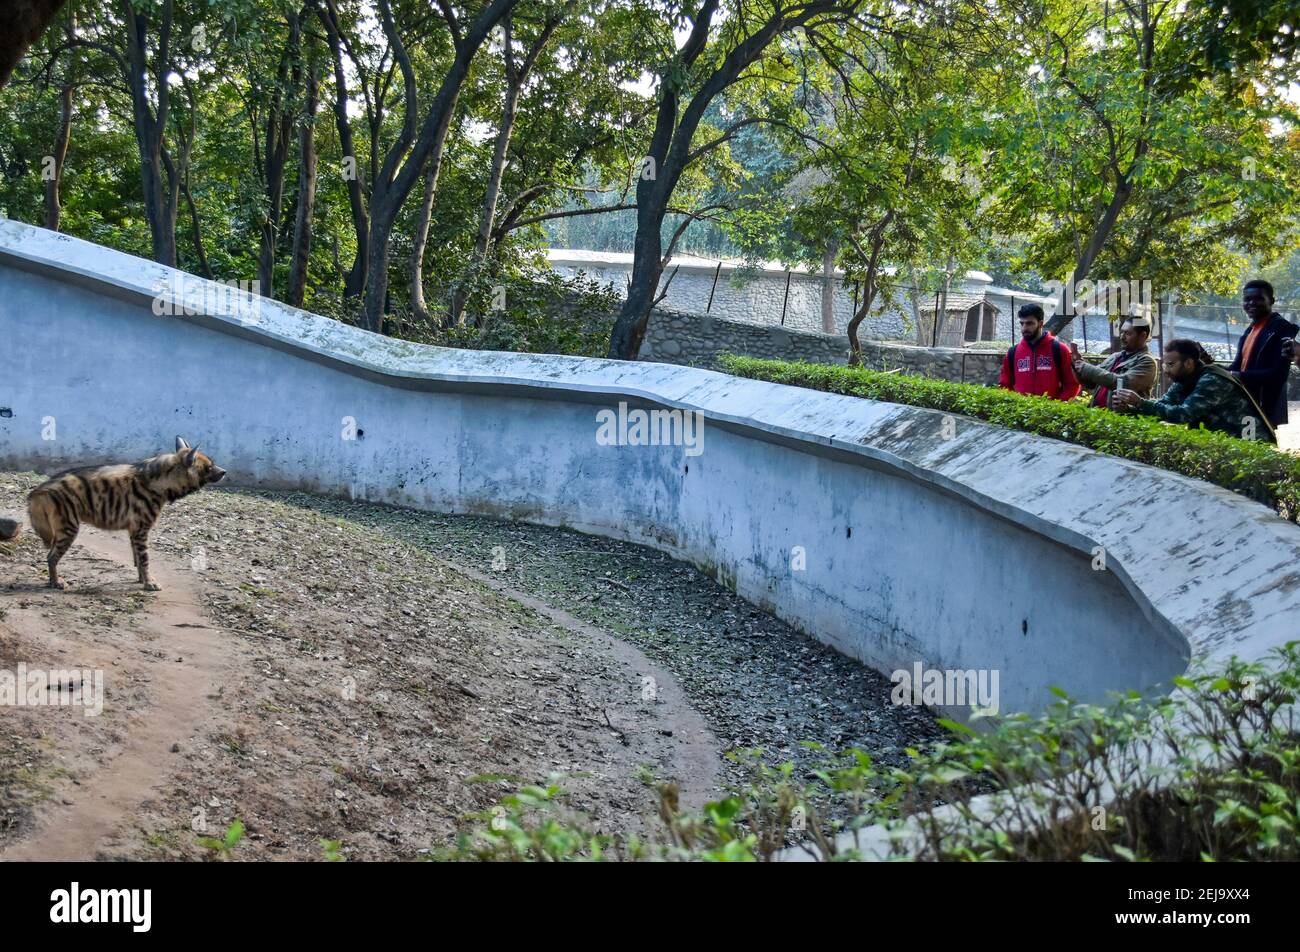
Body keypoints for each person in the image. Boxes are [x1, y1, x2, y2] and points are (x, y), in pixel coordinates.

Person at [1112, 339, 1275, 442]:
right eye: (1164, 364)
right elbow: (1164, 405)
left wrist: (1139, 402)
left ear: (1188, 363)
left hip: (1250, 443)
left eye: (1170, 364)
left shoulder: (1211, 380)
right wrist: (1130, 409)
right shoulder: (1186, 378)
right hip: (1230, 442)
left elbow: (1183, 414)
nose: (1166, 370)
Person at [1228, 279, 1298, 428]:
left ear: (1271, 300)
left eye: (1258, 298)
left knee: (1255, 446)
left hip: (1262, 403)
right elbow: (1236, 366)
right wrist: (1209, 367)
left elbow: (1278, 374)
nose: (1251, 303)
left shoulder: (1282, 329)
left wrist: (1238, 375)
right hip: (1244, 401)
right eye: (1247, 299)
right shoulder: (1250, 330)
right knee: (1244, 446)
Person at [1070, 316, 1158, 409]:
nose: (1122, 337)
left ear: (1142, 336)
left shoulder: (1147, 362)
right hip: (1096, 417)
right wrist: (1076, 365)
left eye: (1127, 333)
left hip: (1120, 420)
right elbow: (1091, 383)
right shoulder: (1115, 357)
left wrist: (1086, 368)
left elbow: (1121, 383)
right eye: (1122, 332)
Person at [999, 303, 1081, 400]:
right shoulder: (1013, 352)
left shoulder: (1059, 349)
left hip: (1051, 413)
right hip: (1021, 412)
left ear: (1041, 324)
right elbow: (1005, 385)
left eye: (1029, 323)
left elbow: (1072, 384)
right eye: (1022, 323)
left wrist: (1057, 407)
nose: (1024, 328)